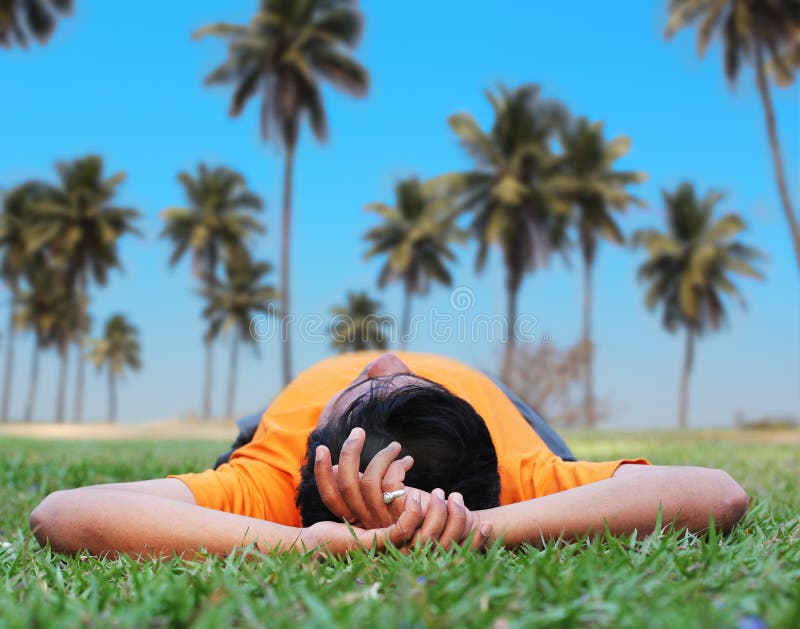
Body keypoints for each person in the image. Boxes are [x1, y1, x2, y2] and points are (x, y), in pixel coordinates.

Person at [29, 351, 748, 558]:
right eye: (386, 373)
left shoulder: (270, 475)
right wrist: (476, 525)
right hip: (485, 423)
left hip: (452, 449)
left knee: (241, 440)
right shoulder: (524, 473)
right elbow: (717, 494)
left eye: (374, 377)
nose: (383, 357)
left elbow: (62, 513)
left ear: (316, 456)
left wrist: (310, 543)